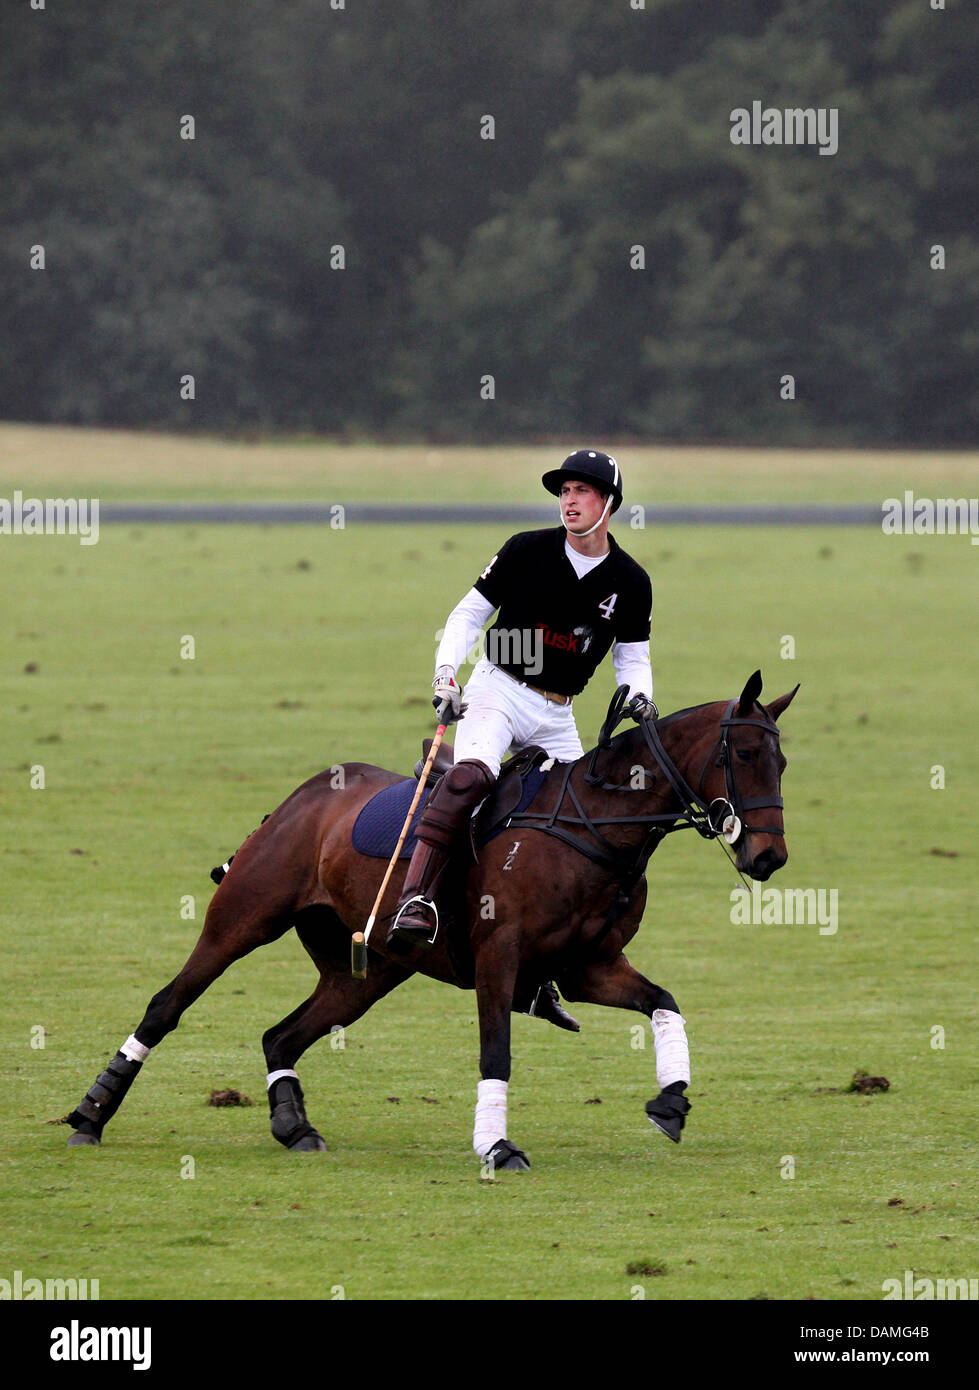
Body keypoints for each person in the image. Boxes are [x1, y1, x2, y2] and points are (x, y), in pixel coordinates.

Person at [386, 450, 656, 1016]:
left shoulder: (631, 582)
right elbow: (467, 616)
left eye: (583, 491)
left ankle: (548, 967)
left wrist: (640, 698)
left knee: (586, 816)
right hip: (497, 689)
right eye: (564, 490)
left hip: (558, 713)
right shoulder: (525, 549)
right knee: (472, 779)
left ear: (609, 504)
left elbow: (632, 659)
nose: (570, 500)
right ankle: (417, 902)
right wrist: (445, 674)